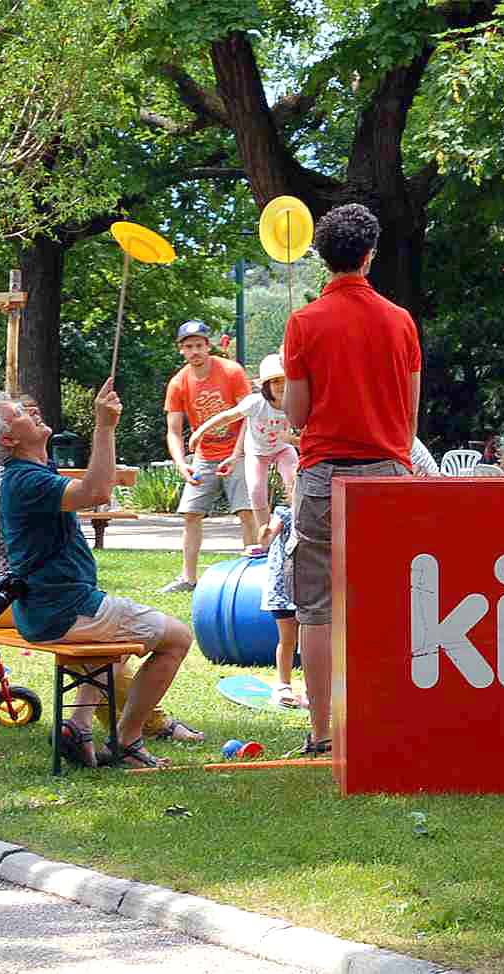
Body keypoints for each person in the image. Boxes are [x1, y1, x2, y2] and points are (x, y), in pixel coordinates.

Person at [0, 397, 202, 759]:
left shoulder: (33, 469)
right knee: (178, 639)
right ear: (9, 439)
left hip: (47, 609)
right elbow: (97, 493)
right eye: (20, 413)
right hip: (63, 609)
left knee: (115, 637)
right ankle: (128, 739)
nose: (33, 411)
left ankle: (77, 727)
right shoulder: (25, 479)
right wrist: (104, 427)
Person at [283, 203, 421, 757]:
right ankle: (385, 723)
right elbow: (410, 419)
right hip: (388, 473)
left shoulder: (304, 323)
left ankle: (322, 733)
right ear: (370, 256)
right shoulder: (400, 321)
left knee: (317, 608)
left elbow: (296, 414)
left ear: (323, 257)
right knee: (389, 601)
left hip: (322, 477)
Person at [161, 320, 257, 593]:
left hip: (237, 450)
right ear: (181, 350)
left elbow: (249, 416)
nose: (195, 351)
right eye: (189, 346)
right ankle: (188, 578)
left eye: (199, 345)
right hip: (204, 454)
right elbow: (174, 431)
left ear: (208, 346)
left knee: (246, 511)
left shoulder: (231, 371)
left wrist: (238, 454)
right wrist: (182, 465)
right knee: (191, 513)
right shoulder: (178, 383)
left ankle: (252, 573)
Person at [187, 353, 298, 550]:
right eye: (275, 381)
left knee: (293, 481)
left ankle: (297, 524)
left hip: (282, 449)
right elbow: (225, 417)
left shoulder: (295, 404)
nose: (281, 386)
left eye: (285, 380)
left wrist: (291, 440)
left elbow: (309, 437)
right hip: (257, 453)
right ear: (266, 386)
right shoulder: (255, 403)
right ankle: (264, 535)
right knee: (255, 490)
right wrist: (200, 433)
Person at [258, 504, 303, 708]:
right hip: (283, 588)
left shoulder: (319, 512)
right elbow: (268, 538)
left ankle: (313, 686)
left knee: (310, 640)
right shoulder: (284, 513)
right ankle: (283, 685)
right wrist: (264, 535)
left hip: (311, 585)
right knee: (287, 640)